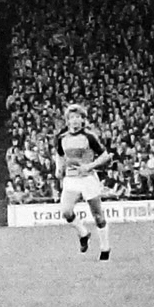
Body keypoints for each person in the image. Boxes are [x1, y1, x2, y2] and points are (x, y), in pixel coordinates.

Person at [52, 104, 114, 260]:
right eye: (72, 118)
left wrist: (90, 166)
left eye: (78, 117)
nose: (75, 121)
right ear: (67, 121)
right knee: (66, 211)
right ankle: (83, 233)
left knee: (98, 216)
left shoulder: (89, 137)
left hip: (88, 179)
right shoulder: (62, 137)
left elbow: (105, 155)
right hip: (71, 178)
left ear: (82, 120)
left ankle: (105, 248)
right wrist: (58, 169)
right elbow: (59, 154)